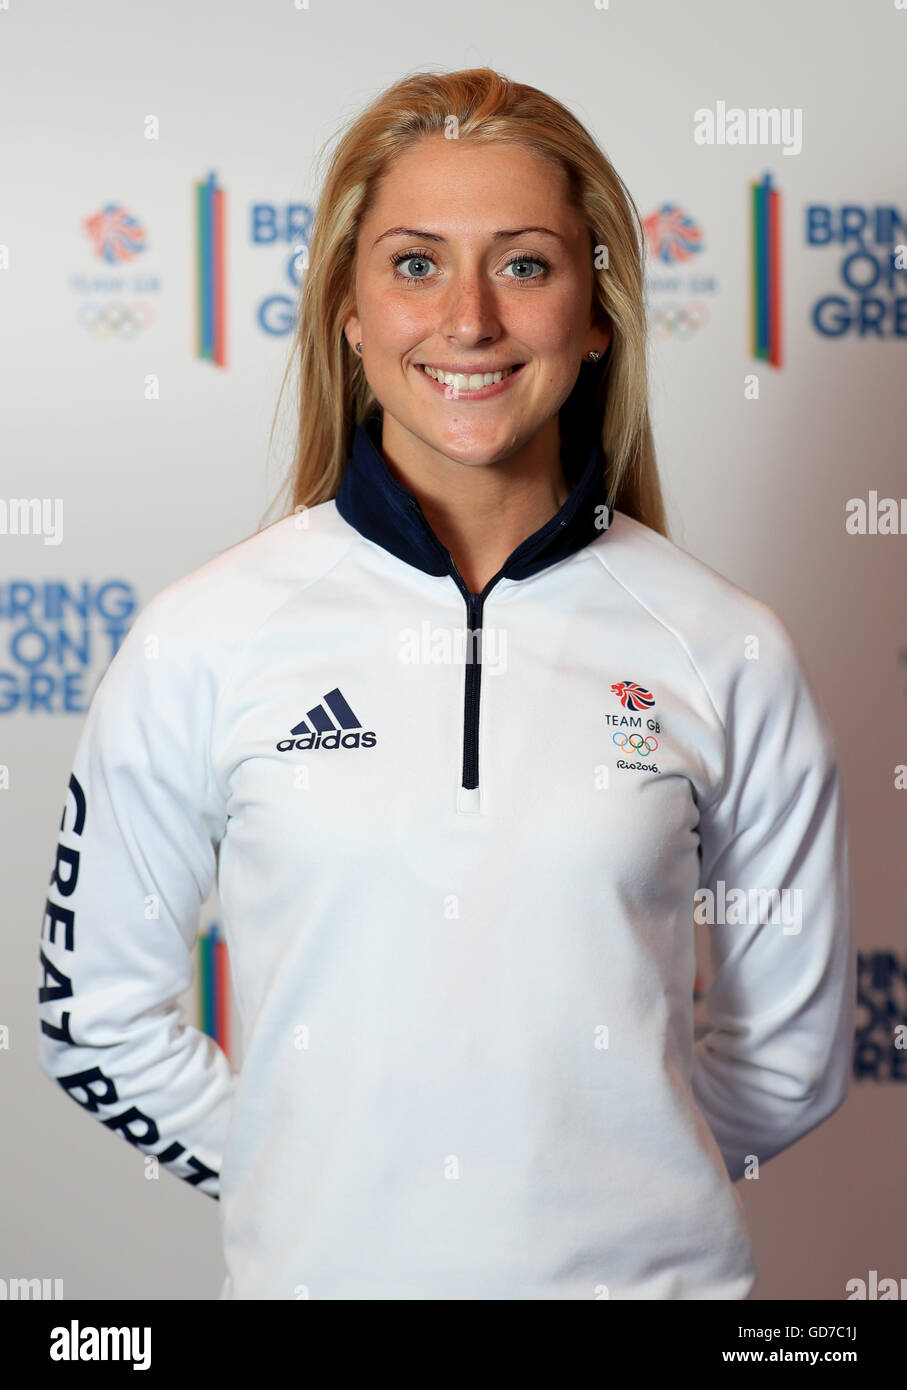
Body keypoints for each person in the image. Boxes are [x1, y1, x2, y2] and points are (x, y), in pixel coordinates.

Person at [37, 67, 854, 1300]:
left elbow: (789, 1056)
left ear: (596, 312)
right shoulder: (203, 637)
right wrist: (323, 1189)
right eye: (415, 263)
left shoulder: (724, 645)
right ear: (349, 312)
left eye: (523, 264)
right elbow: (94, 1016)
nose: (468, 318)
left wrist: (603, 1201)